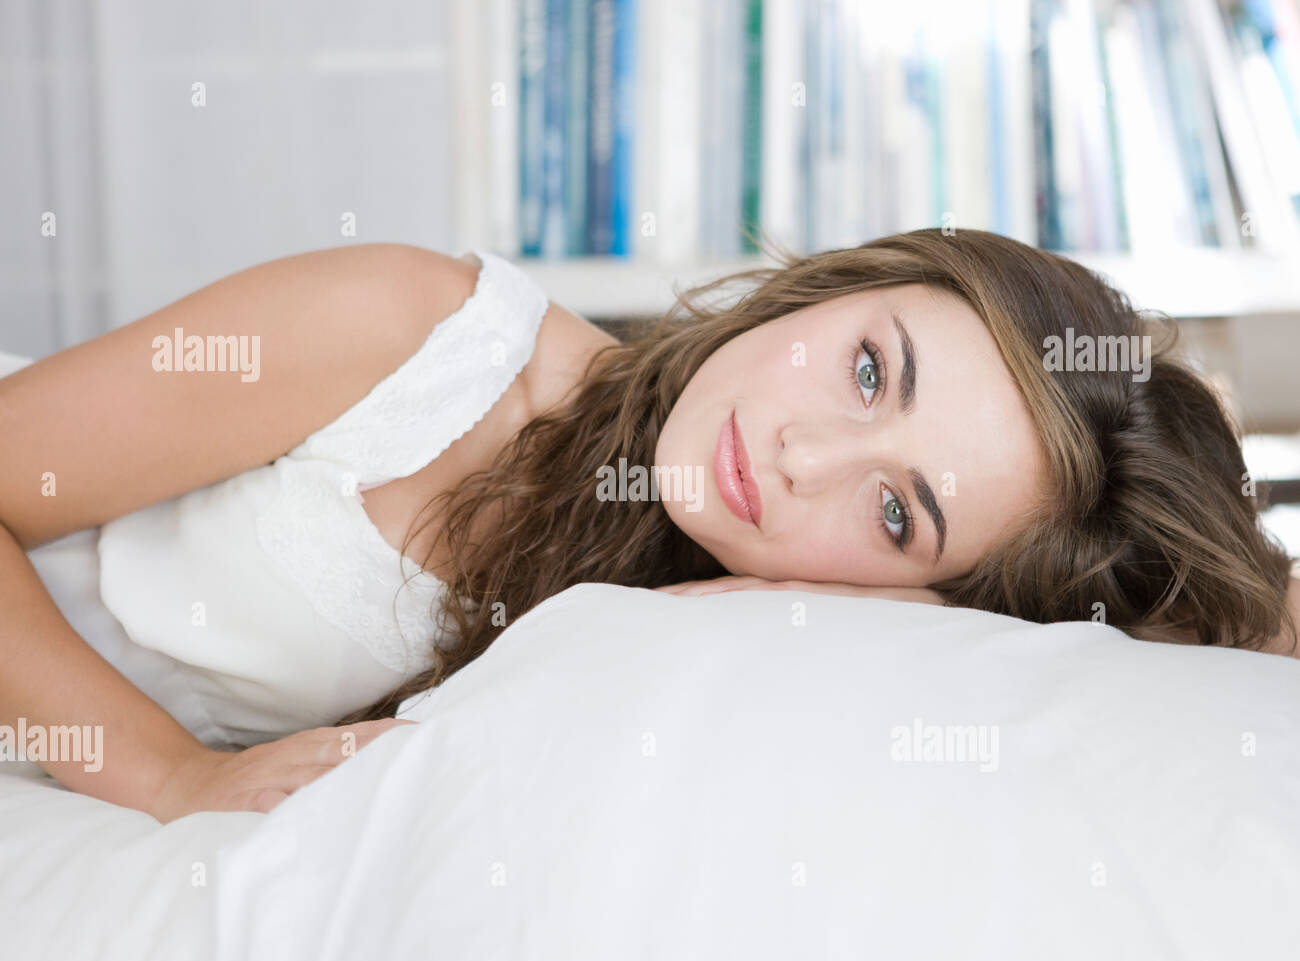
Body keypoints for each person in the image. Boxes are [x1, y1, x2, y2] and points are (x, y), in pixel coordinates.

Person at [2, 229, 1295, 823]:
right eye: (867, 371)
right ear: (845, 284)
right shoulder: (415, 336)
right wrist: (171, 778)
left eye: (898, 510)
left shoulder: (705, 629)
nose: (801, 456)